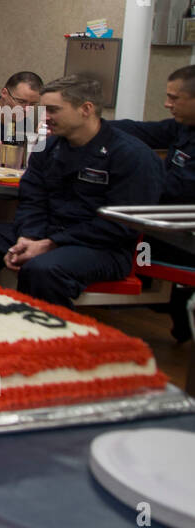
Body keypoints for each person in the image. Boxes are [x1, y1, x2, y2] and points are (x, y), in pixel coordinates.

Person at [0, 75, 162, 307]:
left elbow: (122, 225)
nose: (45, 117)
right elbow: (32, 200)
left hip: (100, 245)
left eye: (53, 110)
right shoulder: (49, 148)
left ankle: (47, 327)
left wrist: (51, 243)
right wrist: (29, 236)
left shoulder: (132, 156)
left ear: (86, 109)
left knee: (41, 270)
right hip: (45, 231)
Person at [110, 63, 195, 341]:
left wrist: (127, 176)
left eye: (174, 98)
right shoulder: (184, 127)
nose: (167, 103)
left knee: (113, 233)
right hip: (165, 225)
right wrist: (92, 126)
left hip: (185, 238)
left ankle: (168, 300)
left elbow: (177, 189)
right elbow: (141, 130)